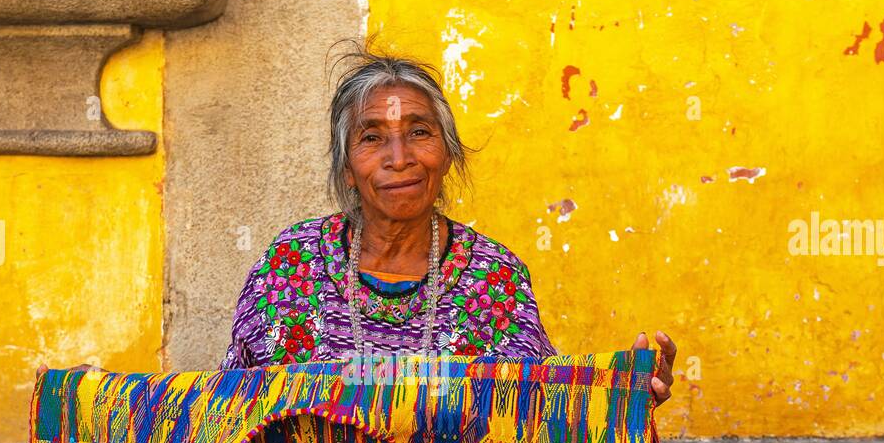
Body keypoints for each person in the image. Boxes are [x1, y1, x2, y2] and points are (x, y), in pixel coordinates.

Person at [221, 40, 677, 403]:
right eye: (372, 137)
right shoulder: (291, 264)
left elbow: (538, 411)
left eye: (419, 132)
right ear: (346, 168)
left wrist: (624, 400)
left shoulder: (493, 277)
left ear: (448, 154)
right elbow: (229, 409)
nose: (399, 159)